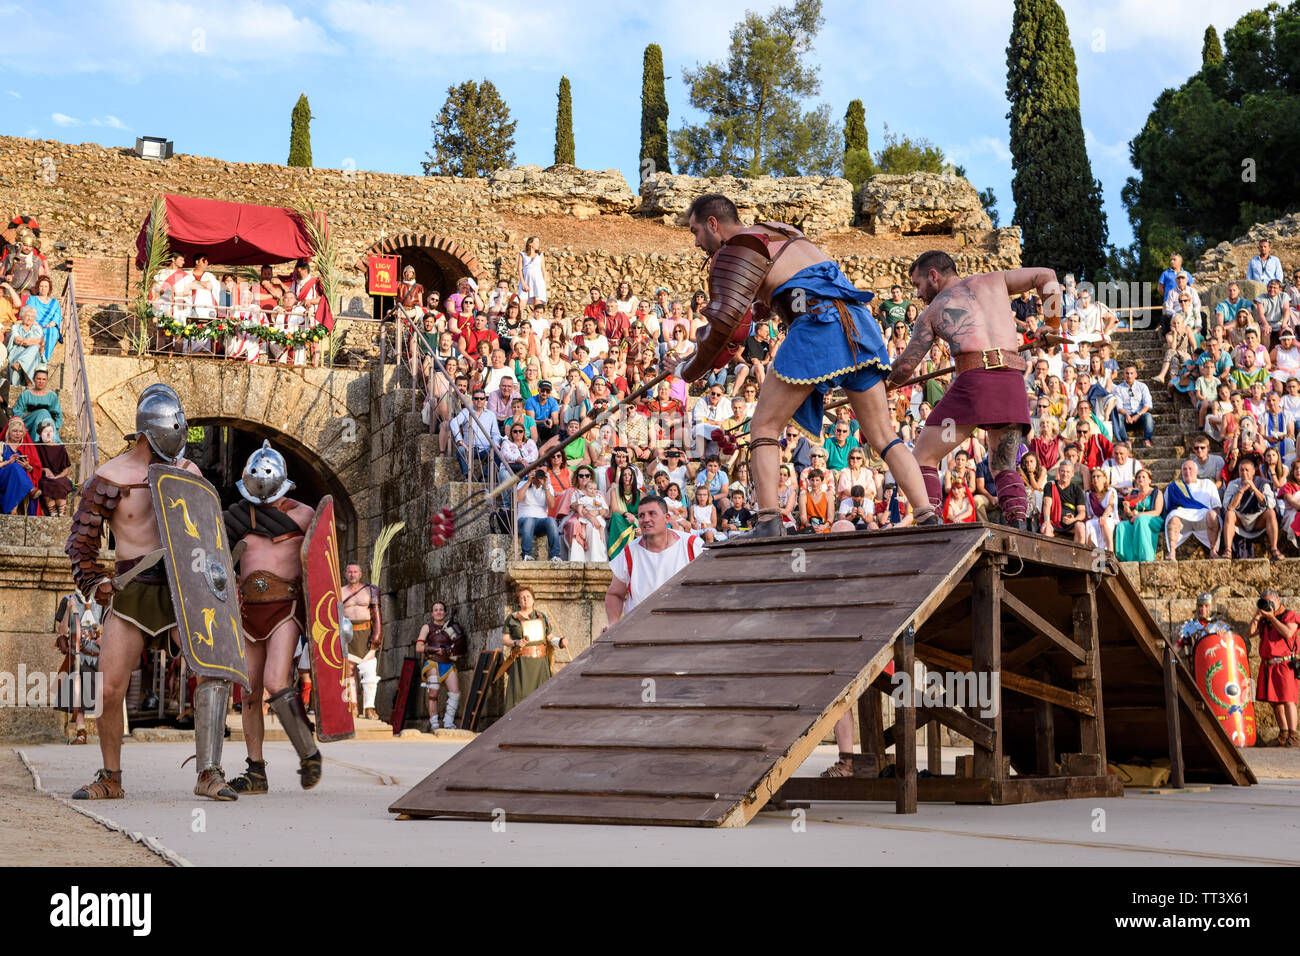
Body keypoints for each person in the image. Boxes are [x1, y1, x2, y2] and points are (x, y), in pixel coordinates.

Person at [664, 194, 937, 536]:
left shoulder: (735, 249)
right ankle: (927, 514)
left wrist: (685, 370)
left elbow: (726, 327)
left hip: (818, 325)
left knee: (763, 427)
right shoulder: (778, 230)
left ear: (713, 224)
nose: (696, 242)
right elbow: (772, 299)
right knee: (884, 435)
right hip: (857, 323)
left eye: (695, 231)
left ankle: (768, 522)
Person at [65, 386, 239, 800]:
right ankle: (110, 777)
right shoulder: (111, 476)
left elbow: (211, 540)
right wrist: (95, 582)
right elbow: (80, 544)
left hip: (183, 587)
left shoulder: (190, 476)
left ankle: (209, 773)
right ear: (148, 432)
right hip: (133, 589)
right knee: (108, 686)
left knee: (212, 672)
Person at [889, 251, 1062, 530]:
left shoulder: (933, 311)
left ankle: (929, 528)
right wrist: (1052, 323)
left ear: (933, 275)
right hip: (1011, 381)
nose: (918, 294)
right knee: (1003, 467)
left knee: (923, 458)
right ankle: (1017, 532)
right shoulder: (995, 280)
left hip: (974, 384)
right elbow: (1047, 277)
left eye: (918, 285)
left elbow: (906, 367)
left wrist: (881, 386)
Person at [221, 441, 322, 795]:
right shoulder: (236, 516)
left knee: (276, 682)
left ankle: (308, 754)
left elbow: (322, 567)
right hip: (249, 610)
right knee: (249, 690)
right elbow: (217, 559)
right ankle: (255, 771)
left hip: (285, 607)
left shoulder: (306, 516)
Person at [605, 496, 700, 624]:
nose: (646, 519)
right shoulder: (629, 552)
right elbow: (615, 594)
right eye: (642, 515)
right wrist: (613, 623)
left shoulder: (692, 546)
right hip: (639, 629)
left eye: (652, 514)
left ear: (667, 518)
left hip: (683, 627)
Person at [1249, 589, 1299, 746]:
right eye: (1264, 601)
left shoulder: (1288, 615)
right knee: (1275, 702)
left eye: (1270, 601)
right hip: (1269, 664)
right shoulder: (1263, 619)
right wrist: (1258, 615)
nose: (1268, 604)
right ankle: (1283, 735)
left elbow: (1288, 633)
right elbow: (1249, 632)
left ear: (1278, 601)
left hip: (1284, 664)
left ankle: (1293, 735)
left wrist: (1272, 618)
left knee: (1288, 699)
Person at [502, 586, 563, 712]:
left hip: (540, 663)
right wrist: (516, 642)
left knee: (542, 695)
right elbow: (504, 640)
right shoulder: (512, 618)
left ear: (533, 600)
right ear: (518, 602)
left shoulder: (542, 617)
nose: (525, 599)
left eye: (528, 597)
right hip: (522, 664)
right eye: (522, 598)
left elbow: (550, 637)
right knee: (520, 696)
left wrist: (560, 642)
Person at [340, 562, 383, 721]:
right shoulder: (340, 592)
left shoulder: (369, 591)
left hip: (366, 633)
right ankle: (352, 706)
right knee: (349, 673)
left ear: (361, 574)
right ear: (345, 574)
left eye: (355, 571)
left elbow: (376, 614)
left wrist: (377, 634)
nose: (352, 574)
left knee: (369, 672)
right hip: (347, 634)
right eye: (349, 571)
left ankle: (369, 707)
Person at [415, 601, 466, 730]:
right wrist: (433, 649)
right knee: (433, 692)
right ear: (432, 613)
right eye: (436, 610)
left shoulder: (452, 627)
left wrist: (452, 650)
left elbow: (460, 646)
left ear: (445, 612)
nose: (438, 612)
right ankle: (435, 724)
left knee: (455, 693)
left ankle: (448, 723)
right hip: (433, 662)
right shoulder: (427, 627)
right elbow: (419, 647)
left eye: (441, 609)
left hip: (448, 663)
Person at [1164, 458, 1224, 561]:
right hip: (1182, 517)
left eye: (1190, 469)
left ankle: (1213, 550)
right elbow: (1167, 507)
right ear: (1181, 472)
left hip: (1203, 518)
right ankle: (1172, 552)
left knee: (1212, 514)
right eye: (1184, 469)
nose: (1187, 471)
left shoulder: (1208, 484)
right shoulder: (1174, 486)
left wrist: (1217, 522)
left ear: (1197, 471)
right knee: (1173, 517)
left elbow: (1216, 506)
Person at [1222, 457, 1281, 560]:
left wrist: (1254, 488)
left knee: (1270, 513)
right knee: (1229, 514)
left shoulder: (1263, 483)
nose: (1244, 473)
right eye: (1241, 470)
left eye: (1247, 470)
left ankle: (1274, 549)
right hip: (1240, 519)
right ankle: (1228, 550)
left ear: (1253, 471)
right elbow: (1229, 506)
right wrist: (1241, 491)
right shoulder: (1233, 484)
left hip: (1258, 519)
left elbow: (1270, 504)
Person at [1113, 468, 1164, 561]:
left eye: (1144, 477)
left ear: (1150, 480)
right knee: (1122, 525)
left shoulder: (1156, 492)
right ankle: (1127, 558)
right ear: (1136, 480)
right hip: (1136, 519)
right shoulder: (1133, 493)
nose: (1141, 479)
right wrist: (1126, 508)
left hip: (1153, 519)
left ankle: (1146, 557)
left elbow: (1157, 511)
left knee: (1141, 520)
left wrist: (1139, 516)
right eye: (1139, 477)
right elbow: (1129, 514)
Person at [516, 467, 562, 561]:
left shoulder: (548, 487)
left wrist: (545, 486)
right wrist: (528, 482)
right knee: (530, 520)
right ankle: (526, 555)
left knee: (551, 520)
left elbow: (552, 505)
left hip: (540, 523)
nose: (538, 477)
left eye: (541, 474)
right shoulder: (522, 484)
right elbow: (517, 499)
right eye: (537, 474)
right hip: (524, 522)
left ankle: (555, 555)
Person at [34, 417, 74, 515]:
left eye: (51, 431)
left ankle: (61, 511)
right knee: (44, 483)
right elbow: (33, 464)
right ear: (39, 434)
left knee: (60, 483)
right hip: (43, 477)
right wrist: (45, 469)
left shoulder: (60, 448)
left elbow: (65, 471)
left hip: (59, 476)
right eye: (45, 431)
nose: (48, 434)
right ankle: (52, 511)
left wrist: (57, 477)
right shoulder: (35, 446)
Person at [0, 415, 39, 514]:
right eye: (15, 431)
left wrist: (27, 467)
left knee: (15, 474)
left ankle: (13, 511)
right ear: (9, 432)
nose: (18, 434)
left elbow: (35, 468)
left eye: (20, 431)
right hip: (2, 476)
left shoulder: (27, 447)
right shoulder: (1, 445)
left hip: (17, 478)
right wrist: (8, 462)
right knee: (14, 466)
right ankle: (30, 489)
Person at [12, 367, 61, 438]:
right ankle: (37, 442)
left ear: (47, 381)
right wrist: (26, 414)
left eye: (44, 379)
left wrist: (54, 427)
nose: (41, 381)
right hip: (29, 423)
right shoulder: (26, 394)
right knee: (42, 412)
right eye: (39, 379)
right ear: (33, 379)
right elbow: (17, 412)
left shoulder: (52, 396)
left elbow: (58, 416)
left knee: (44, 414)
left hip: (47, 425)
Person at [24, 274, 62, 361]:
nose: (43, 288)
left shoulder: (54, 302)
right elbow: (27, 312)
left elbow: (57, 315)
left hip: (49, 325)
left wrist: (52, 323)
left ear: (49, 288)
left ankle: (44, 358)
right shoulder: (32, 299)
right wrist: (34, 323)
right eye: (41, 286)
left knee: (52, 332)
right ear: (38, 287)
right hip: (34, 324)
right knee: (36, 331)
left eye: (46, 286)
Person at [7, 304, 44, 387]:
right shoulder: (16, 327)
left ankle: (18, 364)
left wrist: (31, 342)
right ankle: (30, 383)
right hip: (18, 351)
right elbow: (17, 339)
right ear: (22, 316)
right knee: (33, 348)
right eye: (27, 316)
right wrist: (30, 341)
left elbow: (41, 342)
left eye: (32, 316)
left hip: (33, 353)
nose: (30, 318)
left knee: (34, 348)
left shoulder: (37, 328)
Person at [518, 237, 548, 306]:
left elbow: (543, 270)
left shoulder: (540, 255)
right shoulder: (522, 254)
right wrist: (523, 283)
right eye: (536, 242)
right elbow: (519, 269)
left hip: (538, 283)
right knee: (521, 303)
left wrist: (544, 284)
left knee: (537, 305)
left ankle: (536, 317)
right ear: (530, 243)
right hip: (526, 281)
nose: (538, 244)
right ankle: (519, 317)